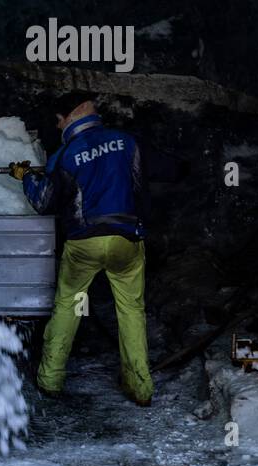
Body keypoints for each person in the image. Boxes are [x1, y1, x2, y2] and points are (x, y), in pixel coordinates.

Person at [8, 91, 152, 405]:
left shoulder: (66, 154)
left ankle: (50, 381)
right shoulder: (126, 141)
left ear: (69, 116)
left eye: (58, 121)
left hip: (84, 244)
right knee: (131, 313)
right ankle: (140, 388)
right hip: (127, 240)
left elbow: (44, 202)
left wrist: (27, 176)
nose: (58, 127)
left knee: (67, 308)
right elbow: (141, 187)